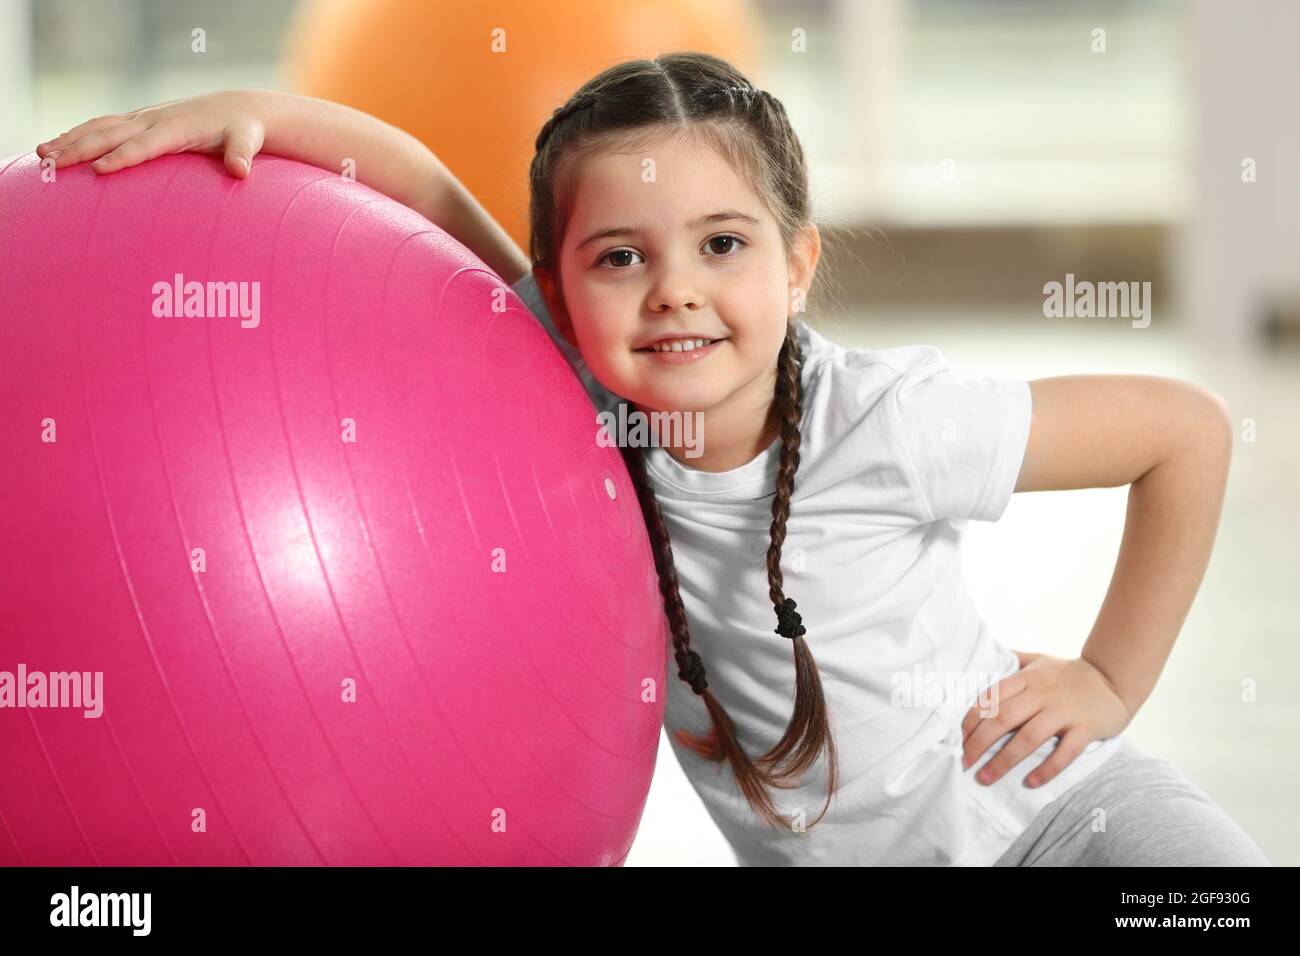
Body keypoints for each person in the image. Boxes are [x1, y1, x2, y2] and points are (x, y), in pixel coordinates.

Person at [35, 51, 1270, 867]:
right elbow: (420, 187)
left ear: (796, 263)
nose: (674, 291)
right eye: (619, 256)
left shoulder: (888, 420)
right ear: (561, 294)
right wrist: (246, 113)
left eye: (722, 243)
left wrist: (1109, 675)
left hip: (1064, 826)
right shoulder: (563, 404)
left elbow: (1183, 432)